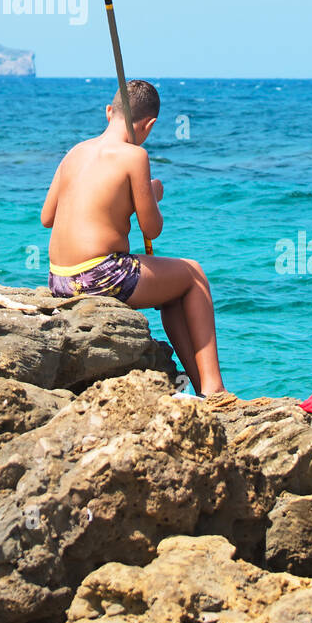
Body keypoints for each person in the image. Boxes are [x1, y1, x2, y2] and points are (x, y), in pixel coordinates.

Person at [40, 79, 226, 396]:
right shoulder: (134, 156)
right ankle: (214, 388)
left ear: (109, 111)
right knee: (193, 274)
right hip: (99, 275)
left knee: (174, 290)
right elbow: (151, 228)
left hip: (59, 278)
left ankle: (198, 388)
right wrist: (151, 193)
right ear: (149, 125)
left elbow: (47, 218)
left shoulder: (75, 151)